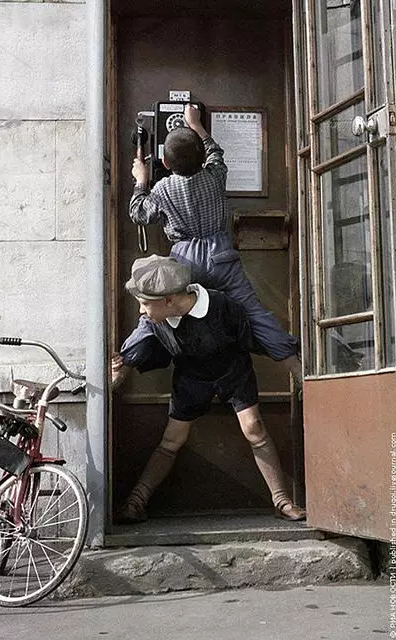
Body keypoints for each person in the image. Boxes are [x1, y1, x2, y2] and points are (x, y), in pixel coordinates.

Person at [113, 254, 306, 525]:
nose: (141, 311)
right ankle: (136, 501)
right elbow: (135, 348)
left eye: (145, 304)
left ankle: (282, 501)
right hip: (191, 378)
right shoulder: (153, 323)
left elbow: (247, 335)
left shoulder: (221, 305)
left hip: (233, 371)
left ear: (169, 300)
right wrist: (118, 366)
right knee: (171, 440)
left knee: (254, 428)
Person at [124, 104, 302, 383]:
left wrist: (140, 180)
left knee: (153, 307)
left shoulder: (162, 189)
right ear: (201, 158)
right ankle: (295, 367)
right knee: (253, 311)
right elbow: (215, 152)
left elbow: (138, 213)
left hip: (185, 260)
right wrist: (195, 124)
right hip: (221, 255)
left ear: (166, 164)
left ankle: (124, 363)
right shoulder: (215, 176)